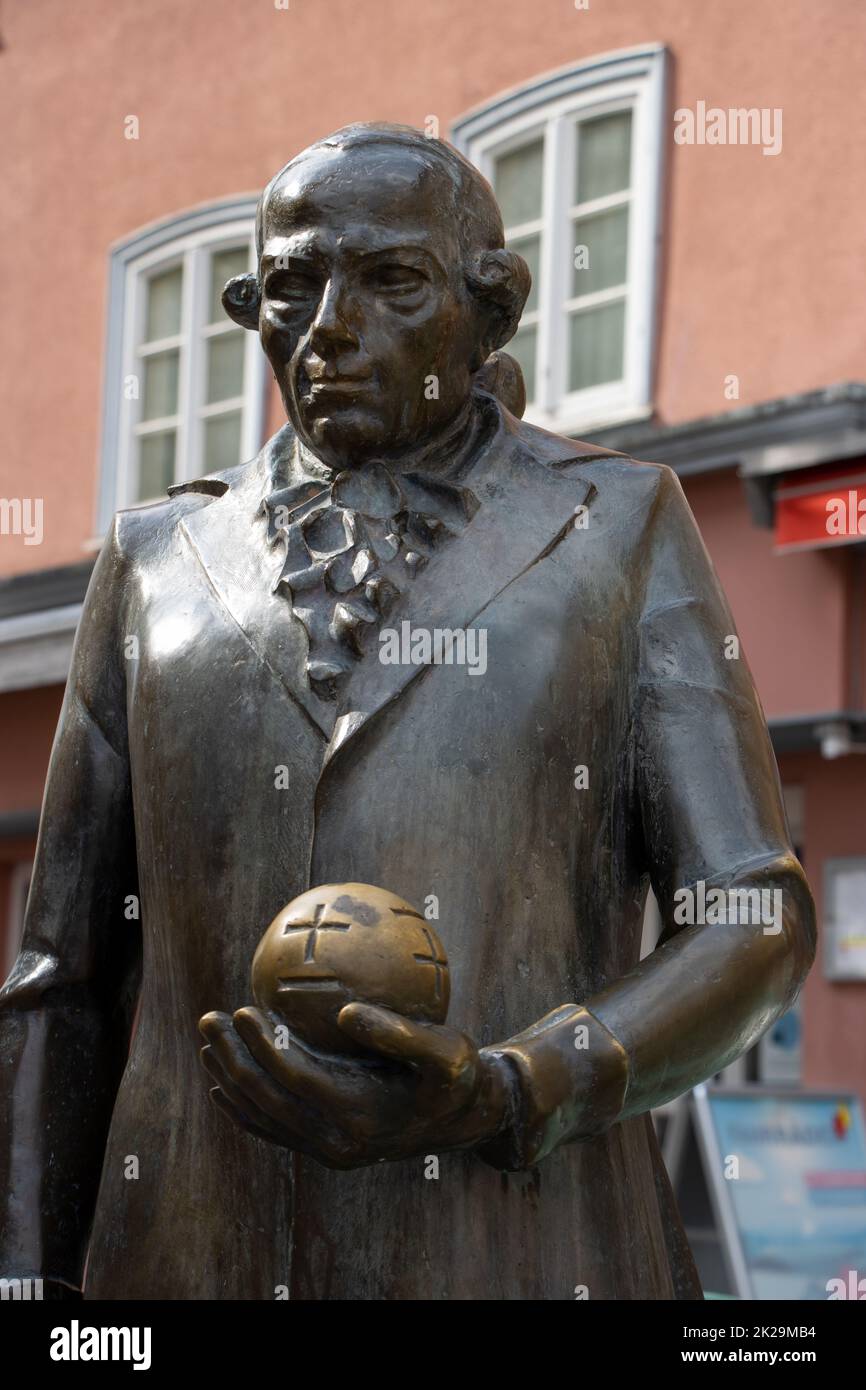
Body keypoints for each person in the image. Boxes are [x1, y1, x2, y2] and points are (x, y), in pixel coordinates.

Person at [0, 124, 814, 1300]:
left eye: (389, 281)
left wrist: (515, 1085)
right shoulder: (155, 557)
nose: (328, 327)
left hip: (521, 1254)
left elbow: (750, 913)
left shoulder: (618, 529)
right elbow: (61, 978)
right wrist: (27, 1276)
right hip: (184, 1262)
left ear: (490, 310)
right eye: (291, 286)